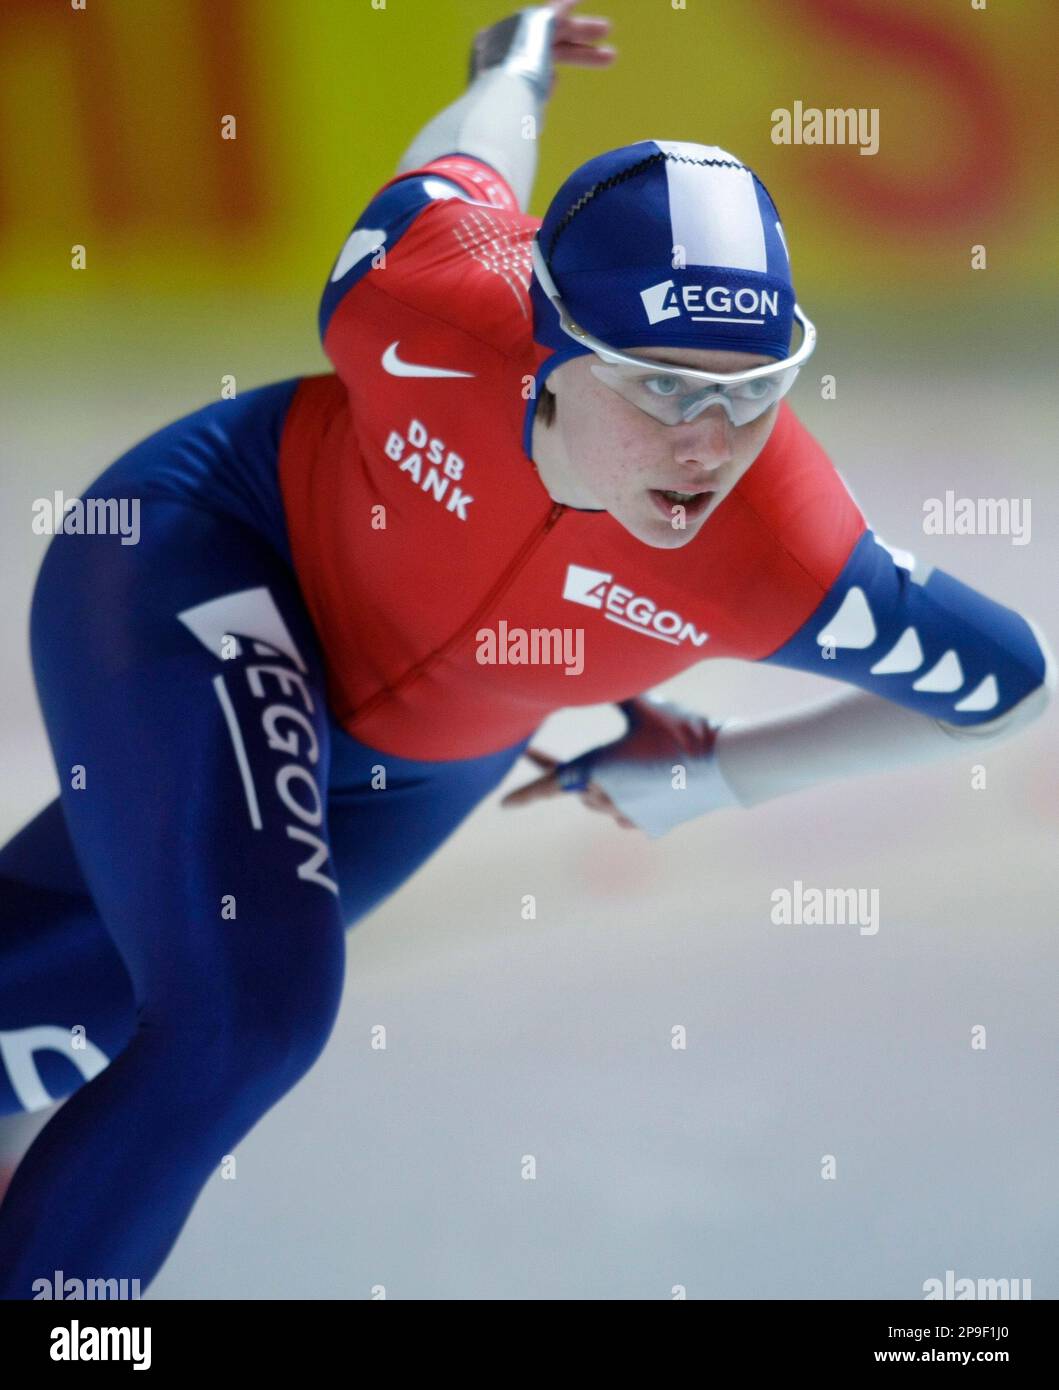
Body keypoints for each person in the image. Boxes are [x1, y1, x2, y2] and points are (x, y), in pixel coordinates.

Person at [0, 0, 1050, 1299]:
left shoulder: (785, 545)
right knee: (241, 1015)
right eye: (662, 384)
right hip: (209, 560)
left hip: (420, 760)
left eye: (750, 390)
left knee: (51, 1018)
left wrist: (721, 772)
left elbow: (1010, 687)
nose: (707, 443)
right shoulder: (429, 298)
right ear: (549, 344)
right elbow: (471, 159)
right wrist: (518, 60)